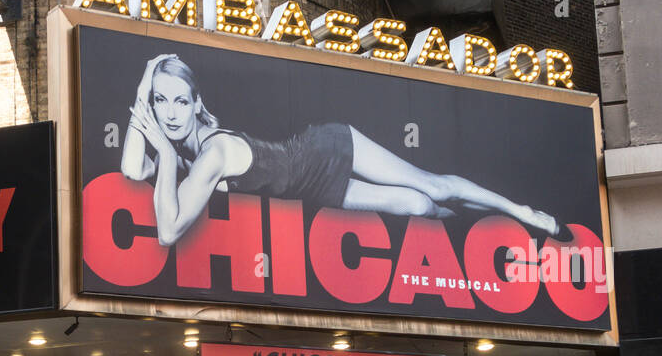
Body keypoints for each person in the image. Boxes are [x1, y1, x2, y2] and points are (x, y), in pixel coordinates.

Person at [122, 54, 563, 247]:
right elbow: (132, 169)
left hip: (323, 150)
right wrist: (142, 93)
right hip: (311, 189)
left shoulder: (210, 155)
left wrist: (164, 153)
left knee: (434, 187)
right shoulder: (183, 149)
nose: (171, 113)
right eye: (161, 101)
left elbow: (168, 232)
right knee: (418, 206)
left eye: (180, 101)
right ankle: (488, 222)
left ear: (196, 103)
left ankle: (521, 211)